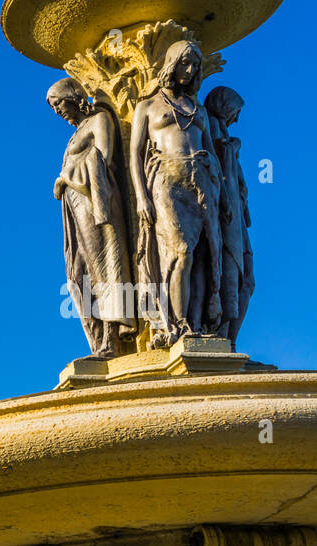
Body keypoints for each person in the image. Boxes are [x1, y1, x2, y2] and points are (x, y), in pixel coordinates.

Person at [130, 39, 224, 345]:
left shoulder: (197, 109)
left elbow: (210, 149)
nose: (189, 70)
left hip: (200, 179)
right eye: (184, 63)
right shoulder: (147, 107)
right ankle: (174, 322)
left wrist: (220, 190)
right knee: (180, 250)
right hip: (166, 178)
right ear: (171, 63)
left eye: (194, 65)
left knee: (200, 254)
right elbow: (134, 155)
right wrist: (142, 197)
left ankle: (195, 322)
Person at [49, 77, 134, 357]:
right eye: (53, 107)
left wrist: (67, 178)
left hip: (96, 202)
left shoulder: (99, 120)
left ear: (74, 96)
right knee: (78, 270)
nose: (58, 110)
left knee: (103, 266)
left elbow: (105, 158)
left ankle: (113, 338)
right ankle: (97, 337)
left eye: (59, 102)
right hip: (76, 206)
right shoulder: (76, 133)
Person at [205, 85, 254, 348]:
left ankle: (228, 340)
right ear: (223, 105)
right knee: (232, 275)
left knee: (246, 280)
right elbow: (214, 159)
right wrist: (232, 148)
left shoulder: (219, 128)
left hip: (234, 215)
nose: (236, 118)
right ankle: (223, 337)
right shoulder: (210, 124)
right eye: (234, 110)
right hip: (224, 214)